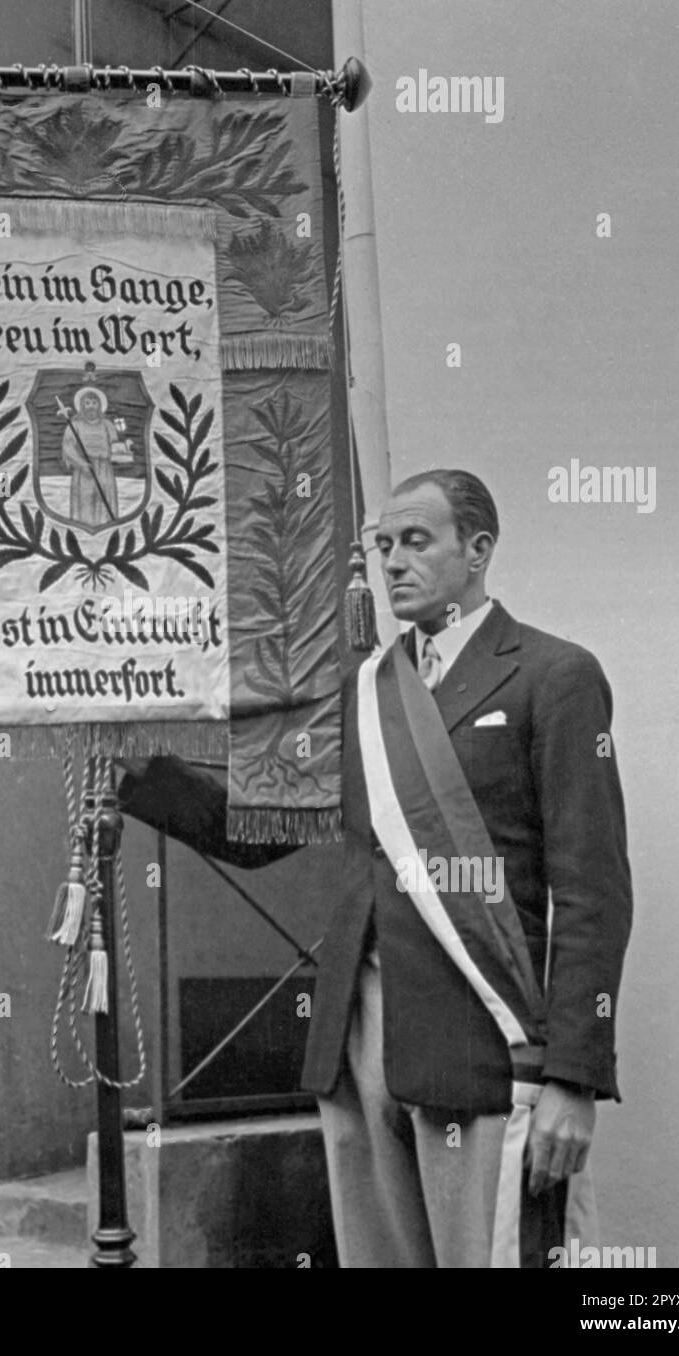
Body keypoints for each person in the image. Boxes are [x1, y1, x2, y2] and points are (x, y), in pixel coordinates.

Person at [118, 469, 633, 1268]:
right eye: (383, 544)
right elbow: (260, 828)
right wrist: (128, 769)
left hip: (482, 1038)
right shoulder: (367, 692)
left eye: (416, 541)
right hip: (359, 1036)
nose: (393, 562)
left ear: (479, 550)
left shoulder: (553, 676)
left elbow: (593, 890)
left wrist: (574, 1077)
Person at [61, 387, 123, 527]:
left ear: (99, 406)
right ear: (81, 406)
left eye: (94, 403)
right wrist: (81, 464)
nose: (91, 407)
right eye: (87, 403)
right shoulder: (75, 425)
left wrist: (125, 447)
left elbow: (115, 445)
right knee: (85, 501)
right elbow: (68, 447)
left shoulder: (107, 425)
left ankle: (106, 526)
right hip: (84, 470)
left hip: (104, 469)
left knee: (104, 499)